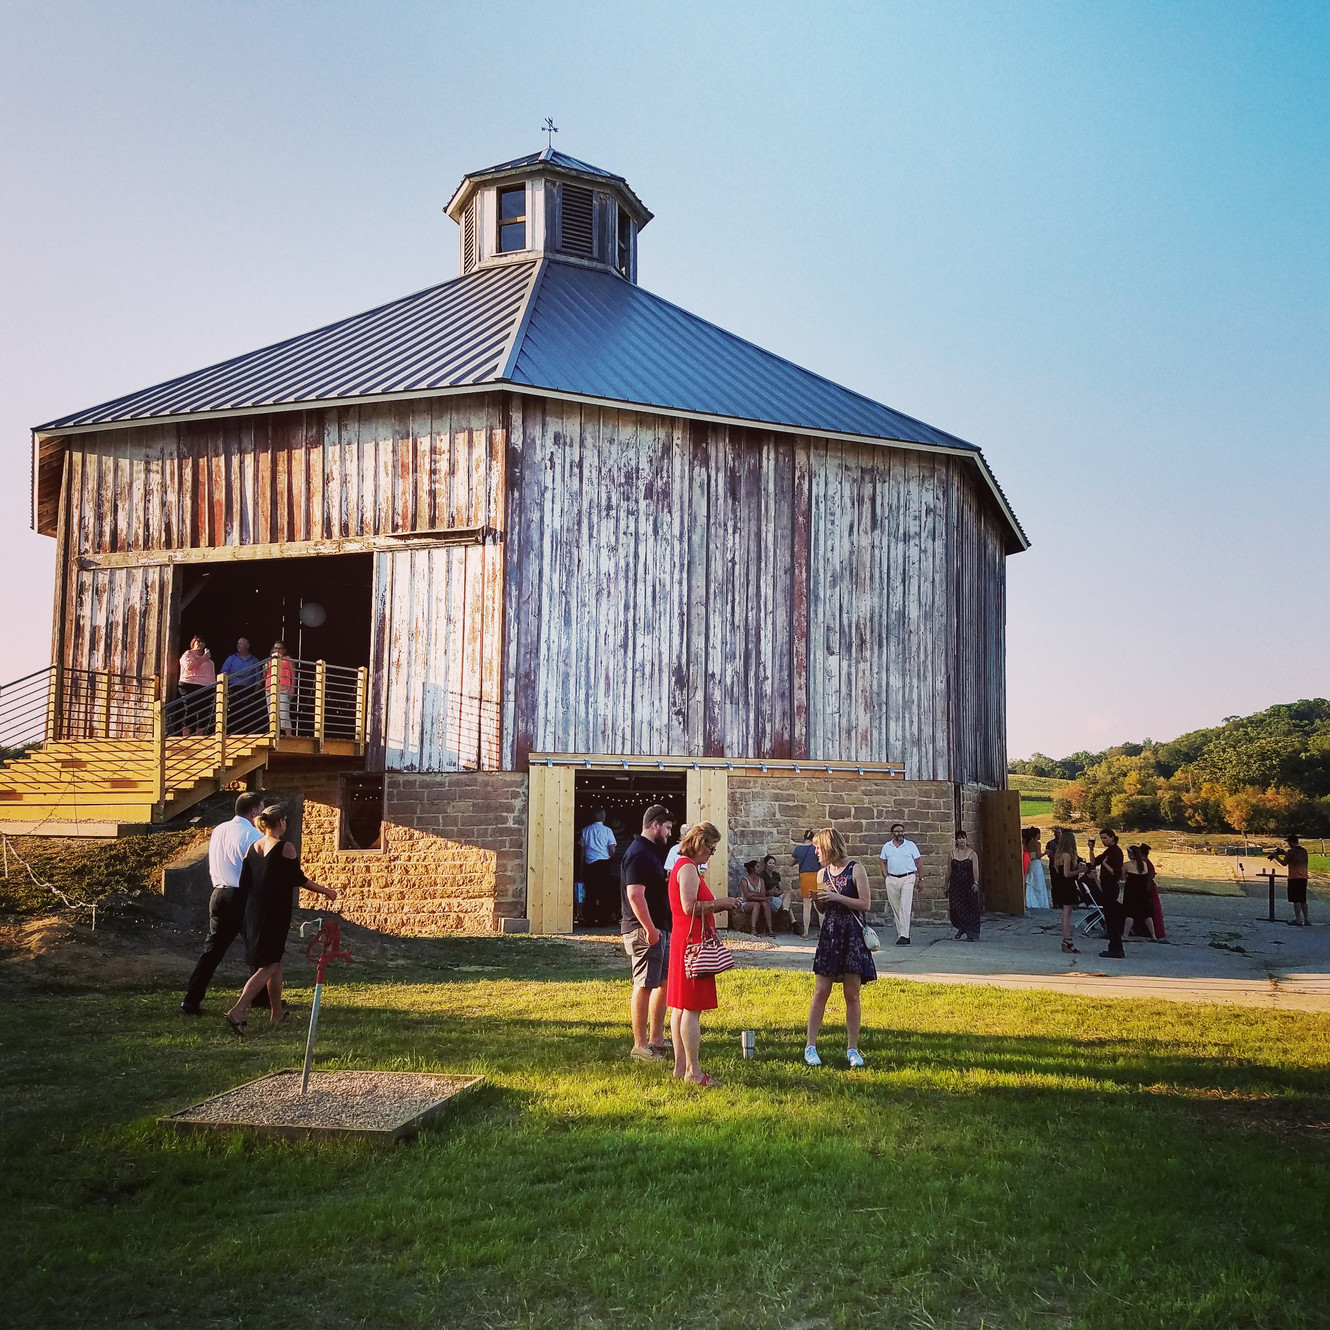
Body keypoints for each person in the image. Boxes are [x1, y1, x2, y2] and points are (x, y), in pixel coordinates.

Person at [225, 804, 337, 1034]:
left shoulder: (252, 848)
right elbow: (298, 878)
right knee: (269, 965)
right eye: (285, 820)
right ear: (281, 822)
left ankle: (276, 1014)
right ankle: (238, 1011)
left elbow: (245, 882)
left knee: (275, 961)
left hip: (254, 910)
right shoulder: (286, 847)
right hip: (274, 912)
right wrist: (326, 891)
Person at [666, 821, 742, 1086]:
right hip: (693, 945)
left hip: (683, 942)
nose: (712, 853)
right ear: (699, 844)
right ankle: (693, 1072)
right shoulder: (687, 868)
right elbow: (689, 907)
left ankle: (680, 1068)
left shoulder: (684, 866)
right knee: (691, 1008)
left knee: (679, 1008)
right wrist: (722, 903)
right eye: (711, 848)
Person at [181, 792, 268, 1014]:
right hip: (242, 896)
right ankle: (259, 996)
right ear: (256, 812)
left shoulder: (219, 829)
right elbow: (258, 870)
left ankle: (192, 998)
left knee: (212, 951)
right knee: (258, 948)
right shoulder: (253, 835)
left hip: (218, 893)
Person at [804, 827, 876, 1068]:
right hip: (831, 935)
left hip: (852, 935)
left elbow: (865, 904)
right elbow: (823, 911)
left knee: (851, 994)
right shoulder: (822, 874)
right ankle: (810, 1046)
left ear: (828, 846)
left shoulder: (856, 868)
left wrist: (838, 898)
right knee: (821, 991)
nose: (815, 852)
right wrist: (817, 901)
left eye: (817, 847)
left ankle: (852, 1049)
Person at [620, 804, 674, 1061]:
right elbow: (635, 894)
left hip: (659, 930)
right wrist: (650, 929)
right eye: (667, 827)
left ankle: (656, 1039)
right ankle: (640, 1046)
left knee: (662, 983)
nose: (669, 833)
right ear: (654, 825)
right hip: (644, 931)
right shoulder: (639, 853)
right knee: (643, 985)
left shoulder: (651, 852)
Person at [879, 822, 922, 945]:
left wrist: (921, 879)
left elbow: (919, 862)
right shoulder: (887, 846)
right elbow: (882, 861)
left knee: (905, 906)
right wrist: (885, 875)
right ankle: (901, 934)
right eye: (897, 831)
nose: (900, 833)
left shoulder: (910, 845)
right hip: (892, 878)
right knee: (896, 908)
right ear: (892, 833)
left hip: (908, 877)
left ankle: (905, 935)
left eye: (901, 831)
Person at [1088, 827, 1126, 959]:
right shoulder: (1108, 851)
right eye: (1102, 838)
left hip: (1111, 886)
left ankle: (1116, 948)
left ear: (1112, 837)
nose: (1103, 840)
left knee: (1111, 919)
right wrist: (1091, 849)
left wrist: (1106, 865)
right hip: (1106, 886)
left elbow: (1117, 874)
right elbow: (1094, 862)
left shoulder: (1116, 852)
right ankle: (1114, 946)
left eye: (1105, 838)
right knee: (1109, 918)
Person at [220, 637, 266, 733]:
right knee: (232, 712)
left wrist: (254, 693)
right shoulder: (231, 658)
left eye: (241, 643)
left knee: (245, 713)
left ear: (247, 646)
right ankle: (230, 733)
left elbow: (258, 679)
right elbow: (222, 674)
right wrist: (235, 674)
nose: (238, 645)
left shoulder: (254, 660)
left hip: (248, 690)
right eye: (238, 643)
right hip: (233, 689)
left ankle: (243, 733)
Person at [580, 809, 617, 926]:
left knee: (590, 893)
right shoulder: (608, 831)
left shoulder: (585, 830)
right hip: (603, 864)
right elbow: (612, 849)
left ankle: (589, 919)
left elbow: (582, 850)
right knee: (604, 893)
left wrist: (581, 867)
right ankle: (603, 919)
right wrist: (610, 856)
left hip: (590, 864)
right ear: (603, 817)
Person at [947, 831, 982, 941]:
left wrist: (976, 882)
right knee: (956, 907)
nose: (961, 840)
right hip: (955, 884)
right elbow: (949, 870)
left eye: (963, 838)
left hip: (968, 885)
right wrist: (945, 885)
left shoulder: (972, 854)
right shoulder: (952, 854)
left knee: (969, 908)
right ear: (956, 840)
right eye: (959, 838)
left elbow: (975, 870)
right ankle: (962, 927)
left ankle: (971, 933)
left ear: (966, 839)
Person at [1050, 827, 1081, 954]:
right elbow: (1067, 874)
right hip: (1067, 886)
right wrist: (1080, 870)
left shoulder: (1058, 855)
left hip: (1060, 886)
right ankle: (1067, 940)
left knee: (1065, 914)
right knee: (1067, 914)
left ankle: (1066, 940)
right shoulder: (1067, 855)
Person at [178, 635, 215, 737]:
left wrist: (213, 685)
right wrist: (203, 658)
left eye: (202, 642)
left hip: (206, 686)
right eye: (197, 642)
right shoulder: (188, 654)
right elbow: (189, 666)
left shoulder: (207, 658)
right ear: (193, 643)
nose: (200, 644)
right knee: (191, 708)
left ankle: (200, 736)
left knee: (203, 710)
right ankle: (185, 736)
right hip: (190, 684)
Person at [1122, 844, 1161, 940]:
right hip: (1143, 892)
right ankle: (1153, 935)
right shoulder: (1144, 864)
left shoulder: (1127, 865)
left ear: (1130, 854)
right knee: (1146, 915)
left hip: (1131, 891)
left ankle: (1125, 935)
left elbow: (1122, 877)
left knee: (1129, 914)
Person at [1271, 835, 1311, 927]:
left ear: (1292, 842)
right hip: (1303, 877)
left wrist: (1276, 856)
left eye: (1289, 842)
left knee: (1296, 899)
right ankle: (1306, 920)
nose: (1288, 844)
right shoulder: (1304, 851)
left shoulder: (1291, 852)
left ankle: (1298, 920)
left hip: (1294, 877)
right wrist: (1284, 853)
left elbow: (1284, 863)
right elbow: (1296, 857)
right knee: (1303, 899)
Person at [791, 830, 823, 937]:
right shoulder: (816, 849)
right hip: (818, 876)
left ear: (804, 837)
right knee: (820, 906)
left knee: (806, 906)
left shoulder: (798, 849)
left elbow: (791, 862)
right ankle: (823, 931)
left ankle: (806, 932)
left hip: (805, 876)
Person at [264, 640, 294, 736]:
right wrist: (264, 671)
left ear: (284, 650)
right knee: (272, 713)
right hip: (269, 688)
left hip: (284, 688)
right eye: (275, 648)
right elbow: (265, 676)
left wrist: (292, 688)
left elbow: (294, 675)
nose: (276, 650)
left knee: (284, 712)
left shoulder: (288, 659)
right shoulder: (269, 660)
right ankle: (274, 734)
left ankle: (288, 735)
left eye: (279, 648)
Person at [739, 860, 774, 937]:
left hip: (758, 901)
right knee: (756, 904)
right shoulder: (744, 880)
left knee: (765, 904)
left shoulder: (761, 880)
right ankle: (753, 929)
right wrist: (761, 897)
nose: (760, 868)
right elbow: (748, 896)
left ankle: (770, 928)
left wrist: (753, 894)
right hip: (746, 903)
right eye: (757, 867)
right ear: (752, 869)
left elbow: (763, 894)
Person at [1023, 828, 1051, 909]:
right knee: (1038, 882)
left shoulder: (1029, 843)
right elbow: (1038, 856)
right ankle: (1039, 902)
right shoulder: (1037, 844)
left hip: (1031, 863)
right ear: (1037, 834)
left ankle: (1030, 900)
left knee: (1031, 881)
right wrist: (1045, 853)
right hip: (1036, 863)